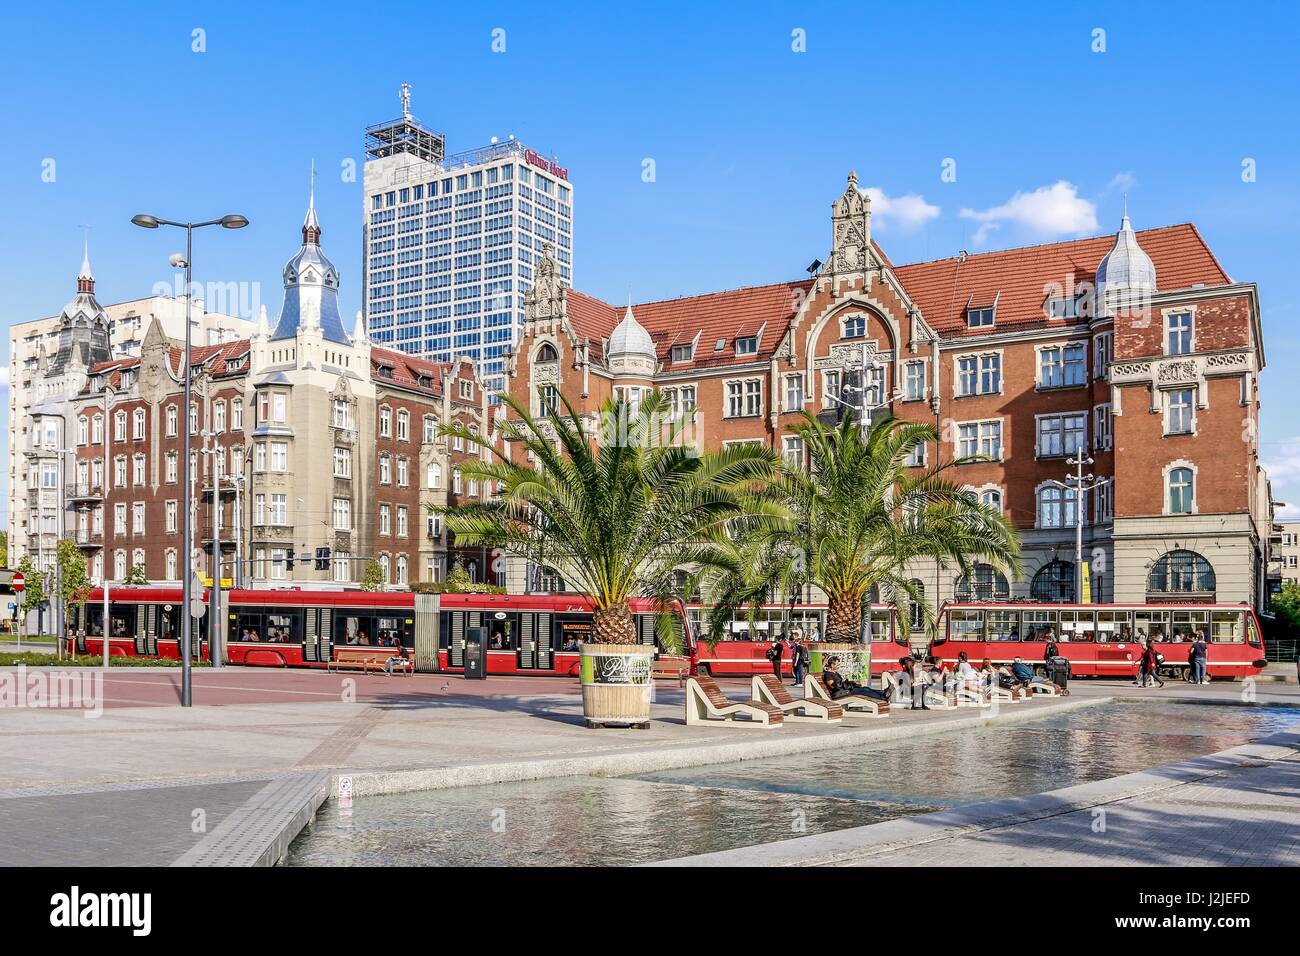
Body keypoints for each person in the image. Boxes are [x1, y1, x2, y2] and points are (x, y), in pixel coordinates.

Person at [822, 656, 888, 702]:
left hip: (845, 690)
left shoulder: (835, 673)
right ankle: (881, 697)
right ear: (832, 665)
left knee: (865, 688)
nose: (838, 665)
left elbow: (840, 683)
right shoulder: (828, 674)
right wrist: (842, 682)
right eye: (837, 664)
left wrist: (847, 682)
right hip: (839, 693)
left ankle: (883, 693)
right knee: (863, 691)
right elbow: (833, 686)